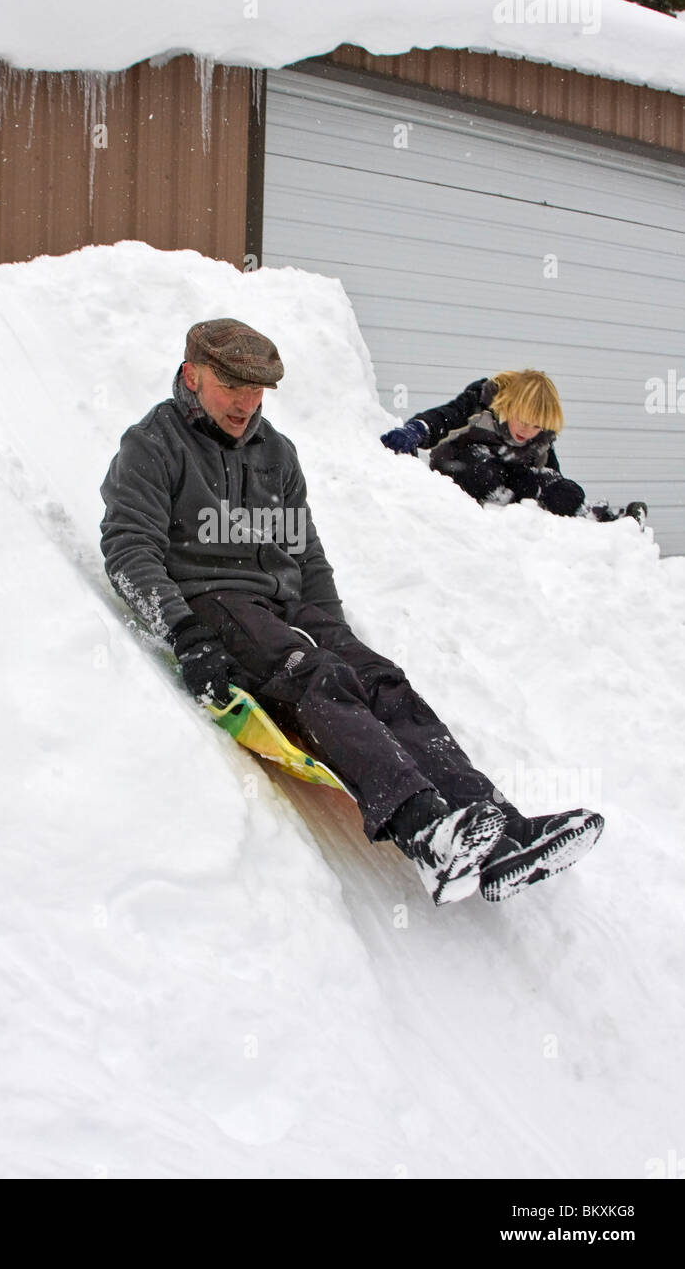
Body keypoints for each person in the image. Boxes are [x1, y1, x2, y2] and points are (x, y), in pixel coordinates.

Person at [100, 322, 603, 907]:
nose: (245, 404)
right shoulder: (154, 444)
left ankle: (493, 820)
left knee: (380, 679)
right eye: (231, 386)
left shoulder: (276, 453)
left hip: (287, 602)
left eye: (257, 390)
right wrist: (186, 636)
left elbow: (305, 551)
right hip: (213, 600)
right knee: (318, 675)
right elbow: (128, 547)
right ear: (192, 375)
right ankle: (427, 834)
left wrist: (335, 629)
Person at [381, 371, 647, 524]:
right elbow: (443, 417)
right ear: (508, 406)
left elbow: (549, 474)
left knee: (559, 489)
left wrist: (561, 495)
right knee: (481, 469)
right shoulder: (480, 405)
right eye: (523, 420)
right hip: (462, 465)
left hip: (510, 478)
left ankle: (605, 518)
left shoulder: (537, 439)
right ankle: (504, 509)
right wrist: (417, 430)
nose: (526, 432)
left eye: (536, 426)